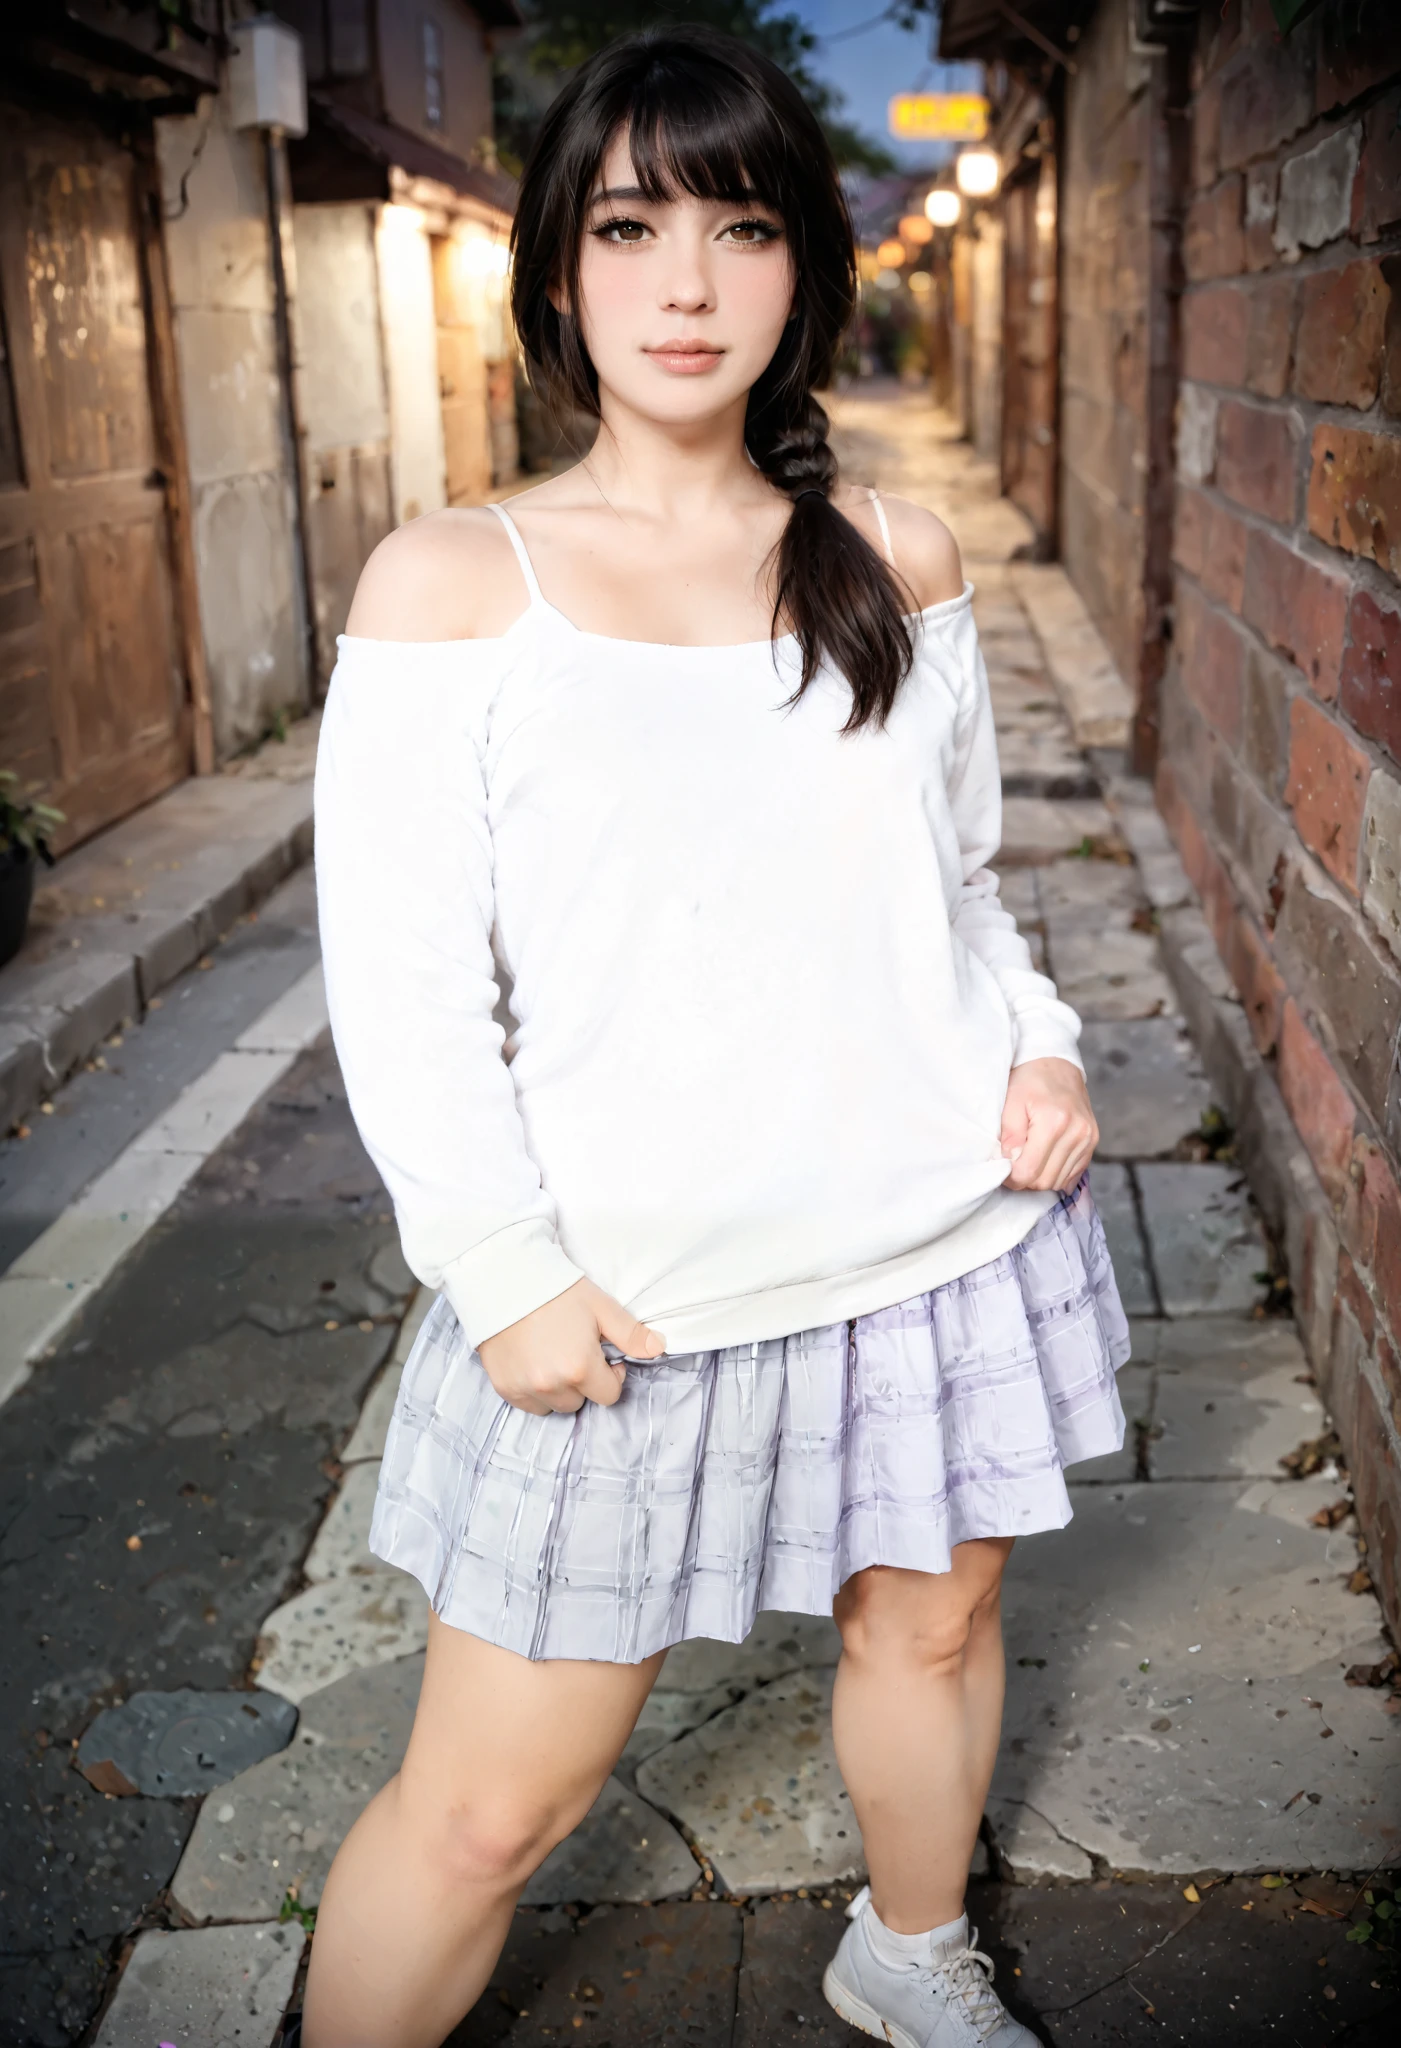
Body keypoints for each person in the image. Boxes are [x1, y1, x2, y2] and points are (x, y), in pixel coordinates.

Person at [304, 27, 1130, 2047]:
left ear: (804, 272)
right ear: (561, 276)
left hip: (931, 1245)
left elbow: (955, 900)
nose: (687, 284)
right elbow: (402, 987)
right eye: (630, 225)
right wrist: (503, 1271)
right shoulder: (452, 586)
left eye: (743, 228)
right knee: (494, 1808)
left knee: (933, 1636)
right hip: (630, 1306)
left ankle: (908, 1948)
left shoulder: (894, 564)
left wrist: (1037, 1049)